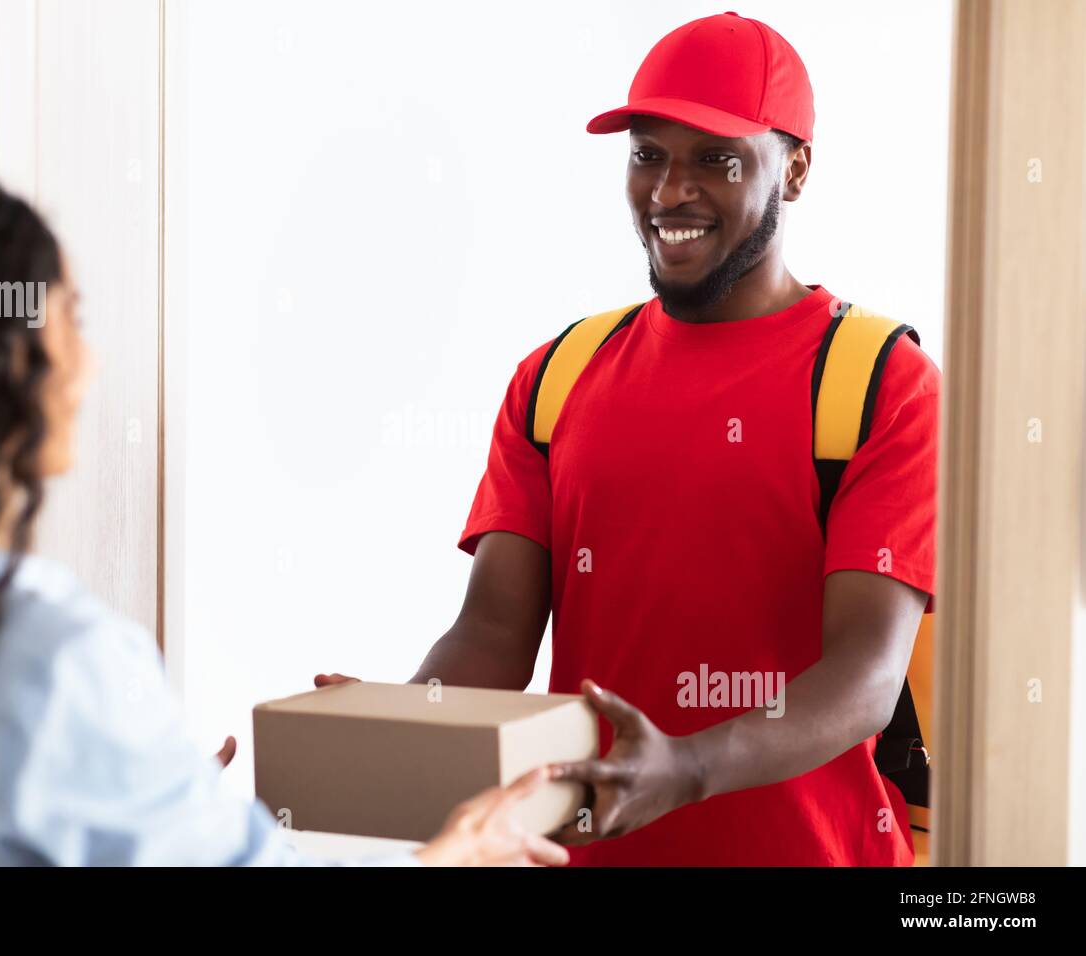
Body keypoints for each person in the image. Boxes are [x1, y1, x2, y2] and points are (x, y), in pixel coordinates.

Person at [0, 163, 568, 867]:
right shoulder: (50, 660)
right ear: (1, 363)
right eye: (75, 320)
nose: (88, 366)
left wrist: (161, 805)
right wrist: (458, 859)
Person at [319, 12, 940, 866]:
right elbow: (494, 632)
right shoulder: (558, 376)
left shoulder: (877, 381)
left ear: (794, 170)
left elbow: (864, 679)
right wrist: (401, 723)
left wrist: (684, 769)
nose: (669, 191)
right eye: (650, 153)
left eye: (716, 160)